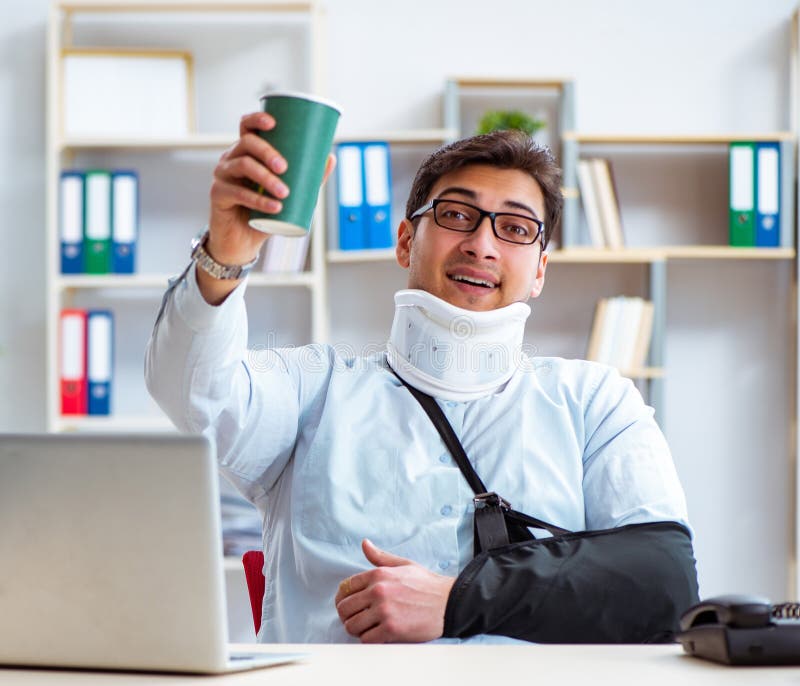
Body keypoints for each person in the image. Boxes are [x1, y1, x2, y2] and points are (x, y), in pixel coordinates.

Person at [145, 111, 698, 644]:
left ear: (539, 272)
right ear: (407, 241)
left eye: (514, 228)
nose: (482, 244)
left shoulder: (594, 402)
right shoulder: (312, 389)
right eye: (457, 215)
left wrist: (458, 600)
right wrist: (225, 256)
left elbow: (662, 577)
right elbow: (194, 393)